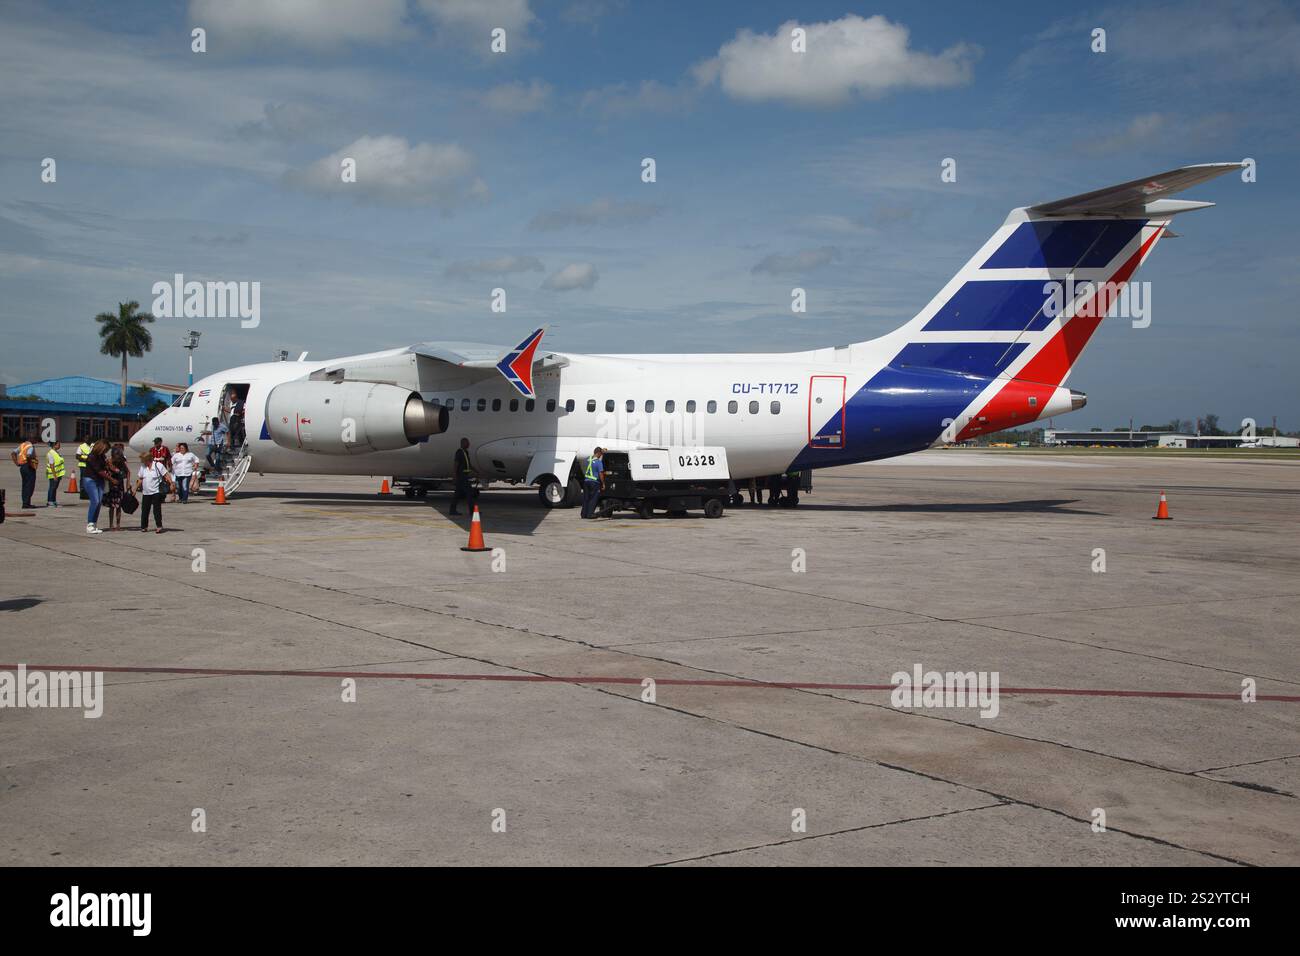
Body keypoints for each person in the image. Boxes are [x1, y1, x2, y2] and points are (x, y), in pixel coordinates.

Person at [136, 450, 174, 533]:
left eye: (143, 460)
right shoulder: (143, 467)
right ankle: (144, 526)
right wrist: (135, 489)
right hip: (146, 492)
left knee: (156, 510)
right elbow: (140, 479)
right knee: (145, 510)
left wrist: (171, 483)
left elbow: (166, 474)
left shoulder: (158, 465)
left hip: (156, 491)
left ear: (148, 459)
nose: (142, 462)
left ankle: (159, 526)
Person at [83, 439, 112, 534]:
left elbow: (105, 467)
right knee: (95, 501)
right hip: (90, 479)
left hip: (99, 480)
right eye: (105, 450)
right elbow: (99, 471)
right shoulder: (91, 457)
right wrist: (111, 479)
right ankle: (90, 524)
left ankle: (94, 523)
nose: (106, 452)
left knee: (99, 502)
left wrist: (108, 465)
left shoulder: (101, 456)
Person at [449, 437, 476, 515]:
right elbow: (456, 465)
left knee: (457, 494)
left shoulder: (466, 452)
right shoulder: (459, 452)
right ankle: (472, 511)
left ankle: (452, 510)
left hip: (464, 476)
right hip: (461, 476)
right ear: (463, 443)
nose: (468, 444)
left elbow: (469, 464)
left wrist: (476, 471)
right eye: (467, 443)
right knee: (469, 493)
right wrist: (454, 476)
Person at [11, 433, 37, 509]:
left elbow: (13, 453)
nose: (36, 440)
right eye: (35, 438)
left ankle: (25, 502)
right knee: (30, 485)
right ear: (31, 439)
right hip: (28, 467)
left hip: (22, 467)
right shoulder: (30, 446)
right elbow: (28, 456)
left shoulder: (22, 445)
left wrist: (17, 463)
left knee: (25, 485)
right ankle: (26, 504)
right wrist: (30, 465)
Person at [580, 447, 605, 519]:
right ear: (598, 453)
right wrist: (603, 483)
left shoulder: (587, 460)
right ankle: (590, 514)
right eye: (601, 454)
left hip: (586, 481)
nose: (601, 456)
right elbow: (601, 474)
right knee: (593, 499)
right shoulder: (598, 462)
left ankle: (583, 514)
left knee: (586, 498)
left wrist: (602, 450)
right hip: (594, 482)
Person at [44, 440, 65, 507]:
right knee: (52, 488)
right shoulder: (51, 453)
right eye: (58, 444)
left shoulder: (56, 452)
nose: (59, 446)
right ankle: (50, 501)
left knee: (54, 488)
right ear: (54, 445)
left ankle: (53, 501)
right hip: (53, 474)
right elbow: (51, 465)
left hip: (58, 473)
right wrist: (54, 475)